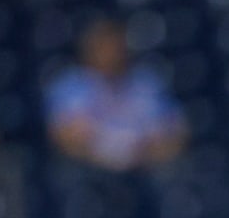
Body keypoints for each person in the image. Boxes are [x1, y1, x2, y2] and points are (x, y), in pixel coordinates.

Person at [45, 17, 186, 170]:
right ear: (90, 49)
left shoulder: (146, 83)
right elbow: (63, 138)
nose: (111, 53)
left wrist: (141, 154)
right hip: (90, 172)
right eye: (103, 47)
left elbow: (177, 134)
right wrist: (111, 155)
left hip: (145, 169)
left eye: (116, 46)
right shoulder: (71, 86)